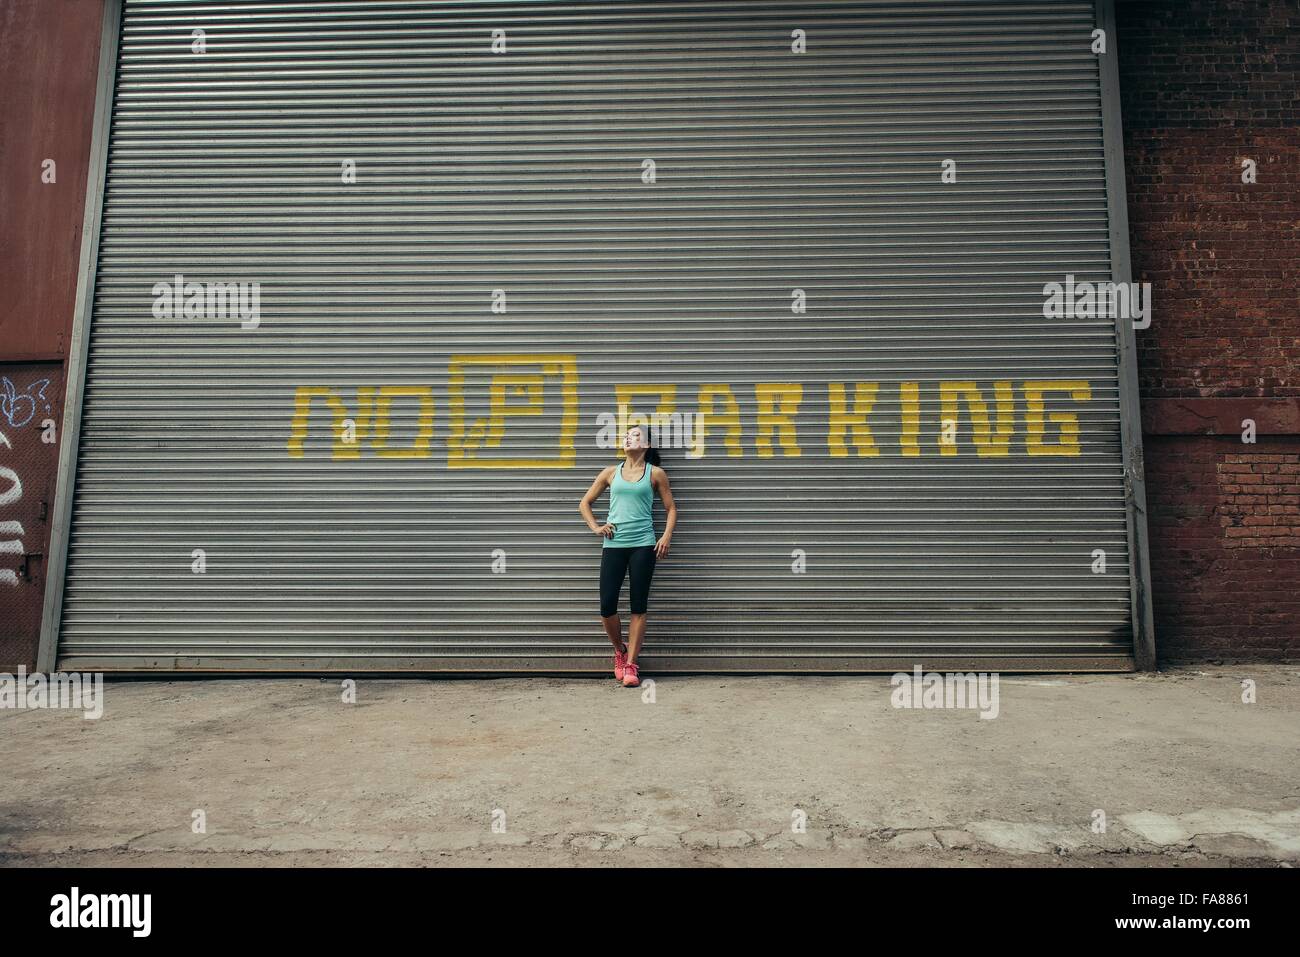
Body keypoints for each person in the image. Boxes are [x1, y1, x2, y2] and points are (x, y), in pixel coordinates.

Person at [578, 425, 677, 687]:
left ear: (646, 444)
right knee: (607, 606)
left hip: (643, 545)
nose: (627, 438)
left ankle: (632, 664)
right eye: (625, 435)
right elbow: (584, 503)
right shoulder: (611, 473)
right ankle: (619, 651)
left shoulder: (655, 474)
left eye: (634, 435)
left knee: (638, 605)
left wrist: (665, 536)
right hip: (614, 545)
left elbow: (671, 509)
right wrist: (596, 527)